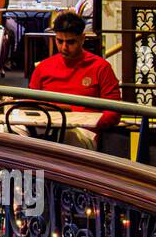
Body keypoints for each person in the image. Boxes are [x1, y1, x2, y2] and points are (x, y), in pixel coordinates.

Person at [24, 10, 121, 148]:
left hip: (82, 131)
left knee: (66, 135)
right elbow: (31, 103)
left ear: (82, 38)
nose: (64, 47)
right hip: (44, 127)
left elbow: (114, 111)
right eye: (59, 41)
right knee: (4, 131)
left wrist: (85, 119)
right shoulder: (43, 67)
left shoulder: (101, 67)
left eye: (70, 42)